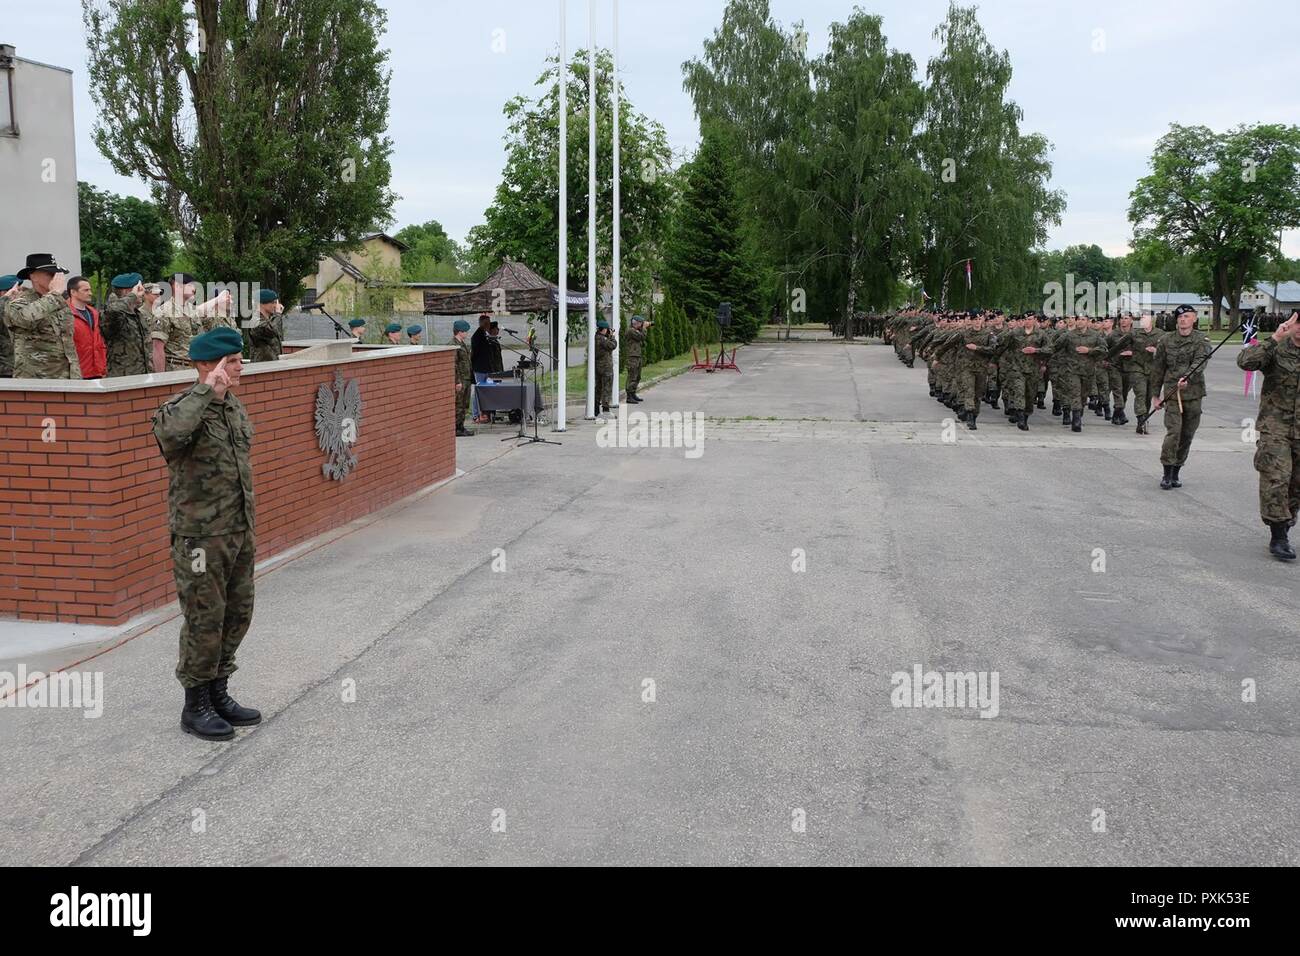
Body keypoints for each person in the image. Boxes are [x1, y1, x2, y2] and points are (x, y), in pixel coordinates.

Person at [151, 327, 260, 741]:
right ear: (205, 365)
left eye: (238, 360)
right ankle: (194, 704)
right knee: (204, 618)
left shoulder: (233, 408)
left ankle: (219, 692)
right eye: (231, 361)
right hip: (200, 537)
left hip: (238, 529)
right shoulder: (180, 407)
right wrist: (205, 392)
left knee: (237, 613)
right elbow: (171, 436)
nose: (239, 367)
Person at [1237, 310, 1300, 560]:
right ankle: (1278, 535)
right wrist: (1274, 338)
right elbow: (1245, 362)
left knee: (1295, 484)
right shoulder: (1277, 347)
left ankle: (1286, 523)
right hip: (1275, 427)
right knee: (1277, 478)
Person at [1151, 304, 1211, 489]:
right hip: (1172, 394)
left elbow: (1200, 362)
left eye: (1187, 316)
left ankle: (1176, 471)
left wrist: (1187, 377)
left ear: (1194, 319)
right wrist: (1155, 395)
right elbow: (1158, 369)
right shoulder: (1166, 340)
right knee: (1173, 433)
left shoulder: (1202, 340)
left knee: (1186, 435)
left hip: (1193, 394)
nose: (1183, 320)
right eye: (1180, 317)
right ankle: (1166, 473)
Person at [5, 253, 80, 379]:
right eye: (50, 274)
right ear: (33, 276)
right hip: (37, 382)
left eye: (56, 274)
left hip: (68, 379)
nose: (55, 278)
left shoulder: (59, 303)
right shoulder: (19, 302)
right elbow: (24, 319)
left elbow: (68, 343)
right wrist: (54, 294)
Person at [151, 273, 230, 372]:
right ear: (177, 286)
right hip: (176, 369)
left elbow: (205, 317)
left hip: (197, 368)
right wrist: (161, 379)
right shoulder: (164, 312)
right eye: (190, 285)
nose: (194, 289)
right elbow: (158, 349)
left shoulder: (192, 310)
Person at [101, 273, 153, 377]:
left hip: (142, 375)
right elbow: (113, 309)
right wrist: (133, 296)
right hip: (122, 377)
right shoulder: (115, 314)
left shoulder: (137, 314)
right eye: (139, 290)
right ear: (127, 292)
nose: (142, 294)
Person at [66, 275, 107, 379]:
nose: (90, 293)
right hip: (77, 373)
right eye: (86, 290)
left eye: (90, 290)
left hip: (97, 371)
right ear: (73, 292)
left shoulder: (94, 313)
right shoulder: (65, 314)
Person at [247, 289, 285, 362]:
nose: (276, 306)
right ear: (261, 304)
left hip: (273, 365)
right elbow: (271, 331)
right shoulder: (255, 321)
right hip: (261, 366)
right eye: (273, 302)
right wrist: (278, 314)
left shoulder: (271, 320)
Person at [451, 318, 474, 436]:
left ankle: (461, 426)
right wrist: (457, 381)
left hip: (467, 378)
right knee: (458, 404)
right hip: (460, 380)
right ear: (460, 331)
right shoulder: (453, 345)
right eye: (465, 331)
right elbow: (454, 365)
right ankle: (456, 428)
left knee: (465, 405)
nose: (467, 333)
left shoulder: (462, 344)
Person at [470, 314, 494, 423]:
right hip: (479, 368)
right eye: (486, 323)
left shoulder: (485, 334)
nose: (489, 325)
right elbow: (475, 353)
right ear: (482, 324)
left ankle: (486, 413)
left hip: (487, 368)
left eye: (489, 323)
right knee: (478, 391)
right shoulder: (477, 336)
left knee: (488, 391)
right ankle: (476, 414)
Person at [624, 314, 650, 403]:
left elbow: (642, 341)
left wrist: (642, 329)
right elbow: (641, 337)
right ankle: (629, 396)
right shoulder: (631, 330)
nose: (642, 324)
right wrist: (644, 328)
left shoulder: (636, 330)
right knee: (632, 376)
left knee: (638, 376)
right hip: (632, 357)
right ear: (635, 323)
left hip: (637, 356)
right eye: (640, 323)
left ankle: (633, 393)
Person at [594, 318, 616, 415]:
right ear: (604, 329)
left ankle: (595, 408)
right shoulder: (602, 339)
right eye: (607, 330)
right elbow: (612, 345)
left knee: (598, 387)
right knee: (607, 387)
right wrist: (612, 337)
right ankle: (605, 409)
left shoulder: (596, 337)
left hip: (598, 366)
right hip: (606, 367)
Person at [0, 274, 20, 377]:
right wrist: (5, 298)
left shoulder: (15, 309)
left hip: (18, 369)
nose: (17, 294)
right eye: (13, 291)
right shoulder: (3, 306)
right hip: (4, 370)